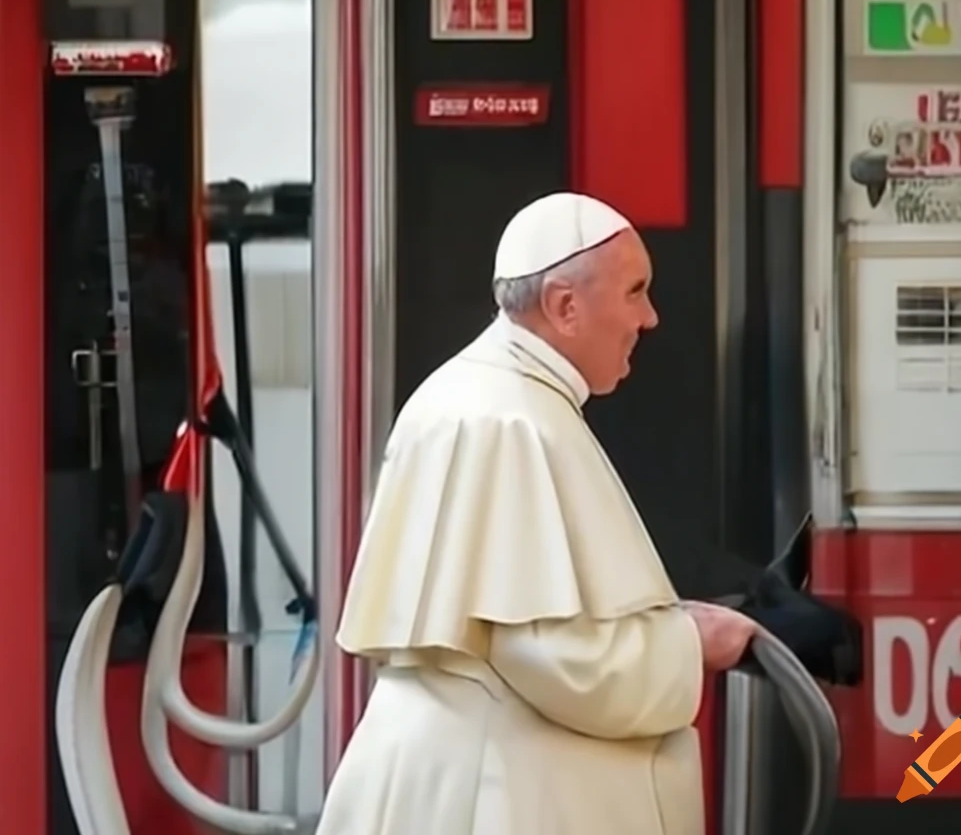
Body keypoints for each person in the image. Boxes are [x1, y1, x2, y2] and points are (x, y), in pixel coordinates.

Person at [315, 192, 759, 835]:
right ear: (564, 304)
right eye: (635, 291)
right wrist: (693, 643)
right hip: (481, 797)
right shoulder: (508, 418)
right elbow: (550, 654)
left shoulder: (493, 396)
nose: (651, 317)